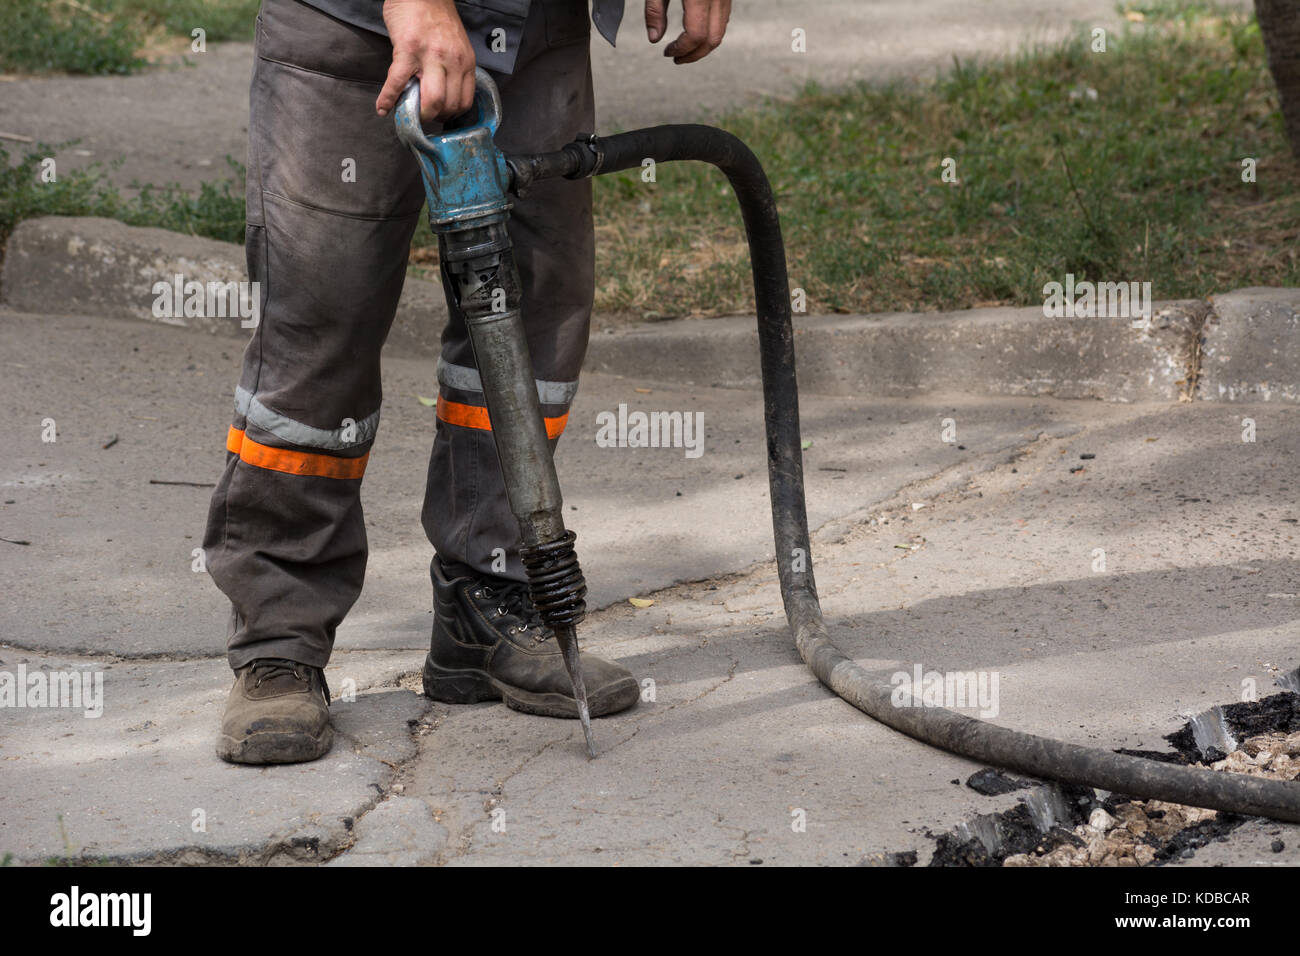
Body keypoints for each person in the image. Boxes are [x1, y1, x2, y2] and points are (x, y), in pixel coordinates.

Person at [206, 0, 732, 764]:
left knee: (530, 313)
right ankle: (278, 642)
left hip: (532, 24)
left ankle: (487, 603)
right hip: (356, 24)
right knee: (324, 319)